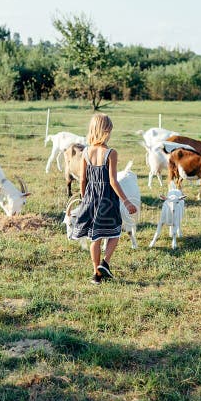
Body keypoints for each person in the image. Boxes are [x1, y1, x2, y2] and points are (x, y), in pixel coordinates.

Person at [70, 114, 138, 283]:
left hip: (91, 198)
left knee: (95, 237)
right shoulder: (111, 153)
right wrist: (127, 201)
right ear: (106, 131)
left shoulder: (85, 152)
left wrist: (84, 198)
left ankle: (96, 274)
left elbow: (83, 179)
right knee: (115, 231)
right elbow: (113, 181)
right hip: (108, 198)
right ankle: (105, 263)